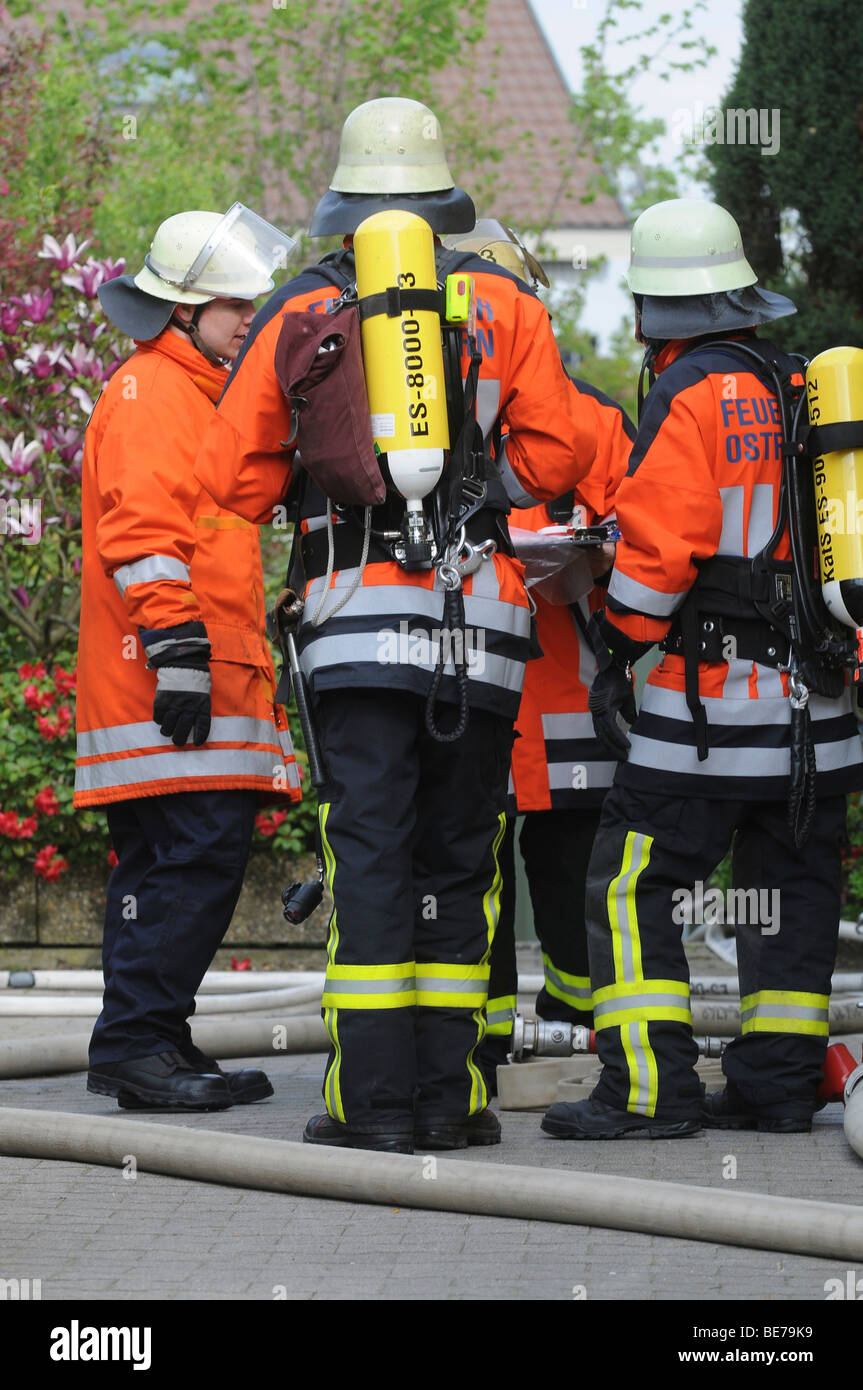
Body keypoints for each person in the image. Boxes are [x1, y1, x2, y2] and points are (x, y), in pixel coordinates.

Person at [195, 98, 600, 1152]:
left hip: (350, 626)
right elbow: (559, 455)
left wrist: (318, 479)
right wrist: (480, 491)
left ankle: (371, 1106)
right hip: (484, 631)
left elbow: (227, 480)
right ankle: (452, 1100)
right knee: (459, 859)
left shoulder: (298, 308)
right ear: (439, 197)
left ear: (344, 204)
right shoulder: (504, 302)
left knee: (369, 853)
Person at [541, 197, 863, 1141]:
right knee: (793, 893)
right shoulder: (806, 385)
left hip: (708, 717)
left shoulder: (690, 395)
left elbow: (659, 553)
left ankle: (646, 1091)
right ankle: (774, 1085)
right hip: (819, 714)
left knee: (630, 884)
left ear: (652, 313)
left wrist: (617, 646)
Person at [77, 205, 302, 1112]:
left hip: (188, 682)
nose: (248, 316)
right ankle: (137, 1047)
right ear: (179, 312)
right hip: (169, 685)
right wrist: (177, 650)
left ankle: (153, 1039)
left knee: (175, 865)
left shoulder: (193, 392)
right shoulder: (152, 394)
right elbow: (144, 535)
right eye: (230, 305)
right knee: (189, 860)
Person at [449, 228, 635, 1081]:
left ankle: (574, 1024)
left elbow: (646, 538)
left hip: (557, 694)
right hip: (473, 690)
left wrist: (590, 556)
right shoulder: (424, 428)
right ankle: (476, 1043)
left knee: (566, 872)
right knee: (462, 868)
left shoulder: (593, 419)